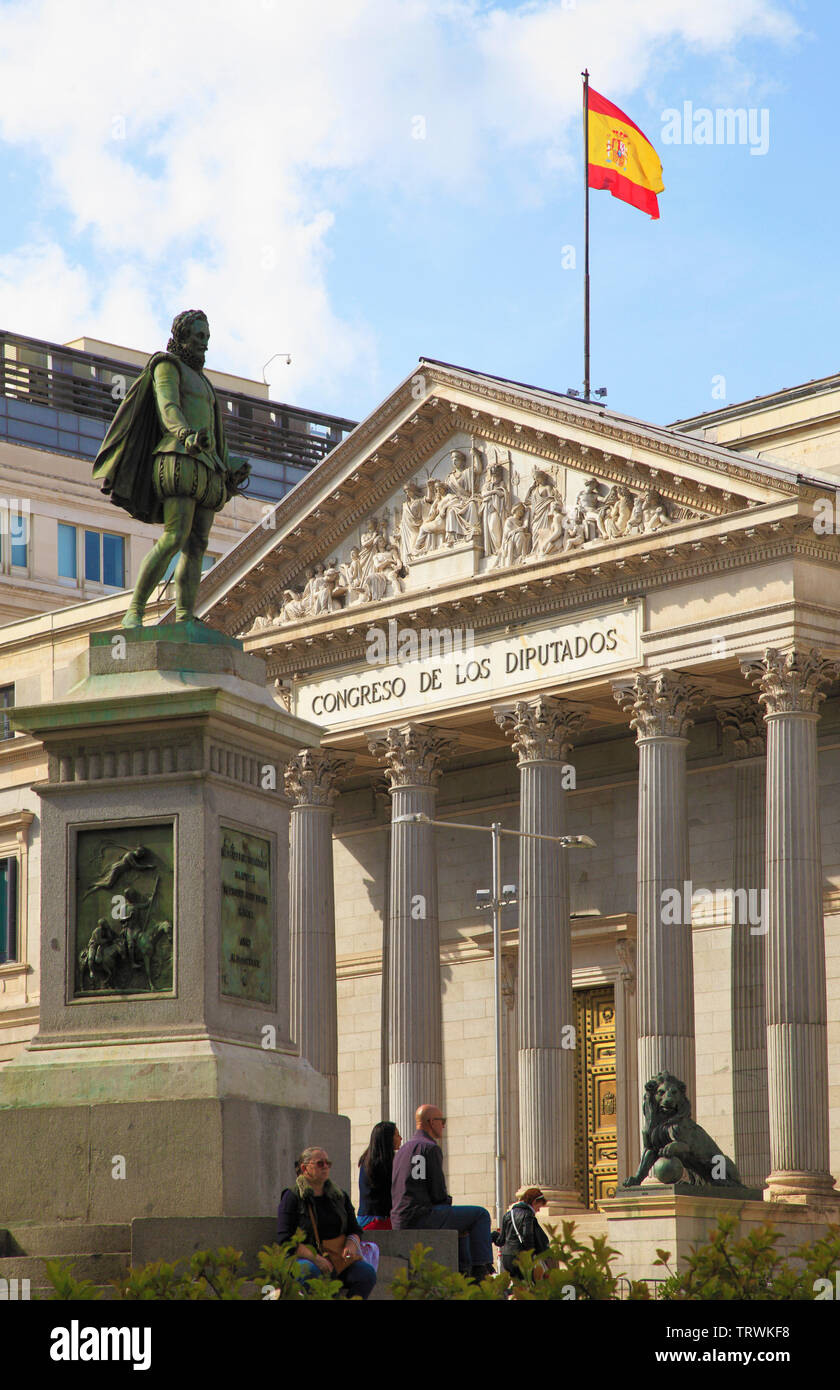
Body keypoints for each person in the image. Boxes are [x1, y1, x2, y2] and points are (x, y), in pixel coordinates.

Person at [92, 308, 250, 629]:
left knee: (197, 545)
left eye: (207, 337)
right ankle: (134, 611)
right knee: (174, 537)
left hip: (208, 468)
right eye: (199, 336)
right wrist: (185, 434)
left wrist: (230, 463)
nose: (204, 343)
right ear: (182, 336)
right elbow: (168, 407)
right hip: (178, 459)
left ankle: (184, 616)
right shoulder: (167, 366)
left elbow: (215, 432)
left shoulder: (205, 383)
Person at [390, 1104, 494, 1279]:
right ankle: (480, 1270)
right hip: (422, 1216)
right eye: (442, 1121)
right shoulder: (430, 1148)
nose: (444, 1125)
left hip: (399, 1218)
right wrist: (447, 1203)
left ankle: (464, 1267)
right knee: (480, 1215)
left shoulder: (403, 1150)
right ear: (431, 1122)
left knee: (459, 1221)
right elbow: (438, 1193)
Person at [276, 1146, 377, 1300]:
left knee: (366, 1274)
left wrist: (350, 1245)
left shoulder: (339, 1196)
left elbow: (355, 1229)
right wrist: (315, 1258)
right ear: (304, 1168)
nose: (325, 1167)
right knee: (314, 1273)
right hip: (305, 1259)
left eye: (328, 1163)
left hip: (337, 1258)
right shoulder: (292, 1196)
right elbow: (285, 1239)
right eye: (319, 1164)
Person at [495, 1187, 550, 1277]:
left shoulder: (508, 1214)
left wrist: (493, 1236)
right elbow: (527, 1236)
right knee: (527, 1286)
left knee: (517, 1286)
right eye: (538, 1206)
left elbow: (500, 1240)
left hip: (507, 1258)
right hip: (521, 1258)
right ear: (534, 1202)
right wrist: (531, 1255)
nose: (538, 1210)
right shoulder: (528, 1215)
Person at [357, 1121, 402, 1230]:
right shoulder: (386, 1163)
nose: (400, 1138)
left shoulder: (366, 1160)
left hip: (363, 1219)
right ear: (388, 1139)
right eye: (397, 1135)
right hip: (380, 1221)